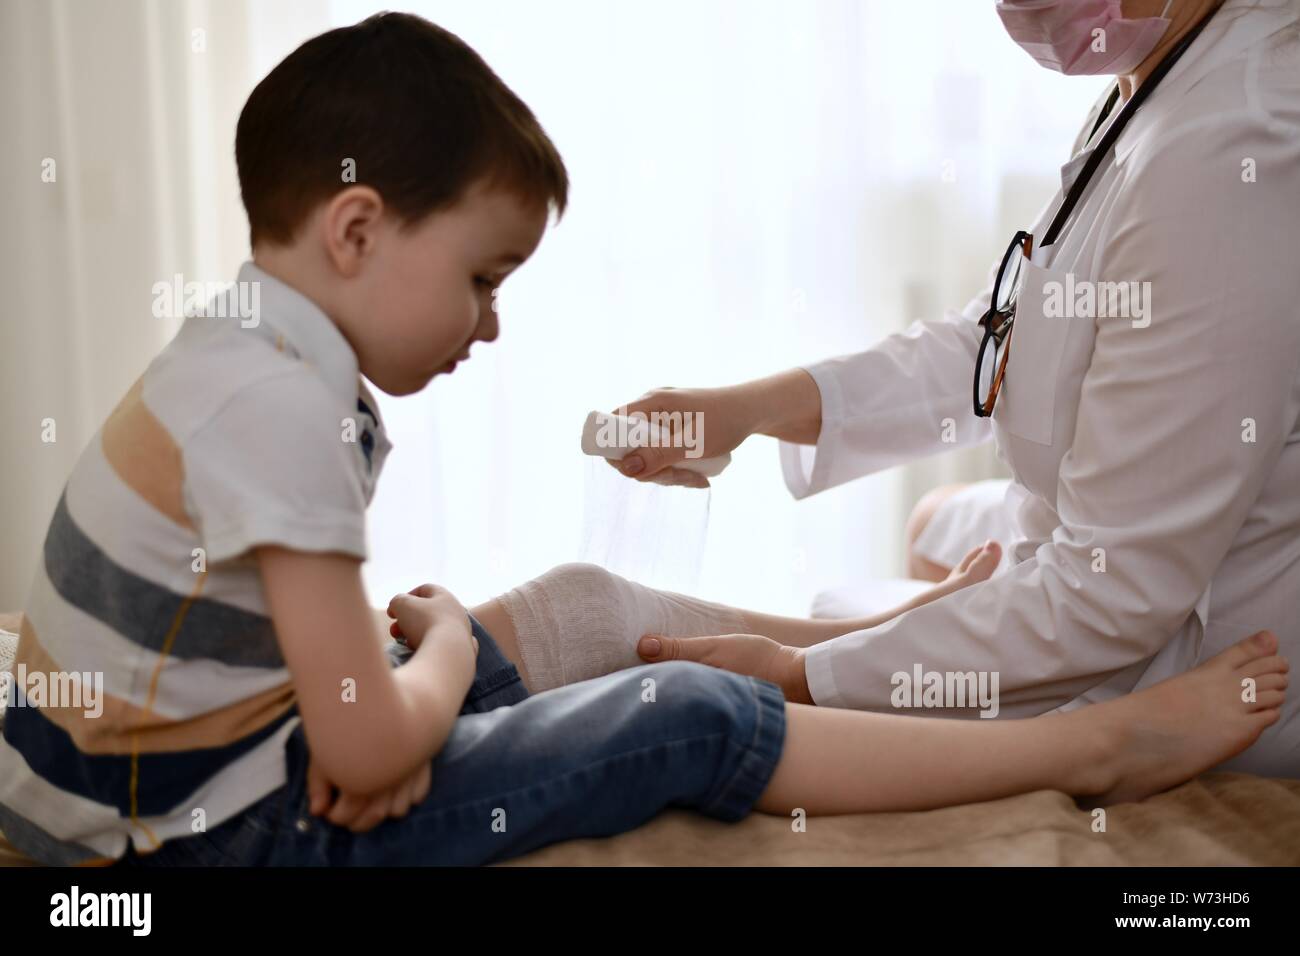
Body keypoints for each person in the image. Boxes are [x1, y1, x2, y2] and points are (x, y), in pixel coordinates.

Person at [0, 12, 1286, 869]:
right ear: (356, 228)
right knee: (692, 707)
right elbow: (368, 749)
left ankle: (994, 687)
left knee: (615, 628)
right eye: (483, 277)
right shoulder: (285, 411)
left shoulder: (242, 347)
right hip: (195, 834)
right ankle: (1092, 741)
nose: (491, 325)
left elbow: (337, 705)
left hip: (162, 785)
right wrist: (437, 656)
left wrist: (405, 679)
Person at [605, 0, 1300, 778]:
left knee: (603, 624)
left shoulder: (1225, 154)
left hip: (1200, 638)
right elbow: (1005, 332)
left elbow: (1116, 592)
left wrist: (803, 679)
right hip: (1104, 542)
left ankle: (1106, 744)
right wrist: (746, 409)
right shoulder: (1157, 77)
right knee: (936, 521)